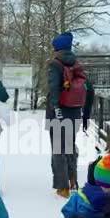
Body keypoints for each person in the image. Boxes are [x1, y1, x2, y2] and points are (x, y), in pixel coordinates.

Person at [45, 32, 87, 198]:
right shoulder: (77, 64)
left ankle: (62, 188)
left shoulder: (55, 64)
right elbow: (87, 88)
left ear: (57, 48)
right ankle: (73, 181)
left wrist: (55, 106)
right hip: (75, 110)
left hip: (59, 112)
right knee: (69, 146)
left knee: (58, 148)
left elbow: (54, 87)